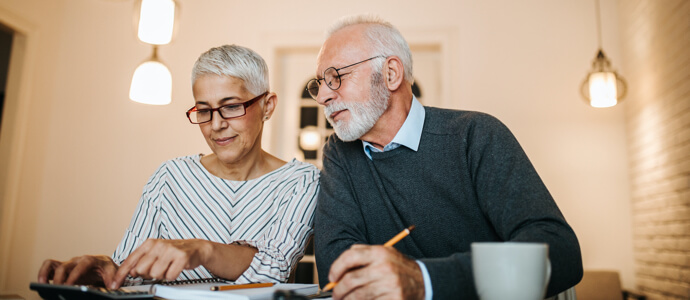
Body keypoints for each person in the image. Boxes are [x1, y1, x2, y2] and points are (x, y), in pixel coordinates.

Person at [310, 15, 583, 300]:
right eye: (320, 83)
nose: (323, 97)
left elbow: (561, 253)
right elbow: (337, 270)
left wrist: (423, 280)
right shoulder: (340, 152)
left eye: (336, 77)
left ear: (391, 74)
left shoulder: (475, 135)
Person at [37, 45, 320, 289]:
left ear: (267, 106)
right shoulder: (169, 177)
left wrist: (203, 250)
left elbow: (272, 271)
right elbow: (130, 274)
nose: (216, 124)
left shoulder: (301, 181)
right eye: (204, 110)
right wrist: (103, 269)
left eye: (231, 106)